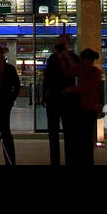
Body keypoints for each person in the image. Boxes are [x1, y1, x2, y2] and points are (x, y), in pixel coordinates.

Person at [41, 33, 78, 165]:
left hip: (68, 99)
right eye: (59, 43)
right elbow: (46, 77)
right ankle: (54, 160)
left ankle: (70, 159)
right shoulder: (52, 58)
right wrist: (43, 93)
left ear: (68, 44)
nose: (60, 46)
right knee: (53, 133)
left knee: (69, 132)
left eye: (62, 43)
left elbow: (75, 71)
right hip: (53, 98)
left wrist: (65, 56)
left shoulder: (72, 57)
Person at [65, 48, 104, 165]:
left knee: (83, 139)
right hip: (89, 108)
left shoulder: (89, 72)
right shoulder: (95, 72)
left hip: (85, 108)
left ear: (85, 59)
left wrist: (69, 89)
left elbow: (84, 88)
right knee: (86, 139)